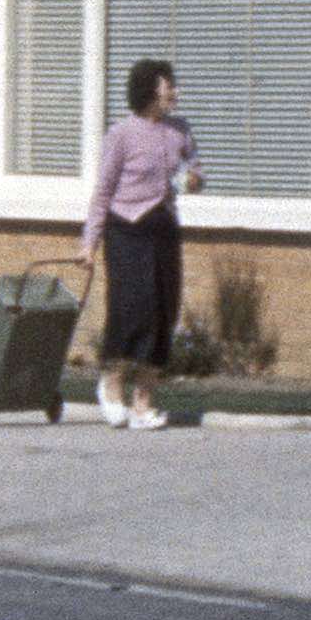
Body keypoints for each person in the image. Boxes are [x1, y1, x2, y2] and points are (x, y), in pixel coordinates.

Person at [82, 57, 201, 431]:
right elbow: (102, 193)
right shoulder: (121, 135)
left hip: (163, 227)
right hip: (126, 230)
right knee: (132, 309)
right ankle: (112, 384)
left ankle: (143, 403)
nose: (175, 92)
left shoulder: (180, 130)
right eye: (169, 86)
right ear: (150, 89)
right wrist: (89, 243)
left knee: (163, 311)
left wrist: (195, 180)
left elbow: (196, 171)